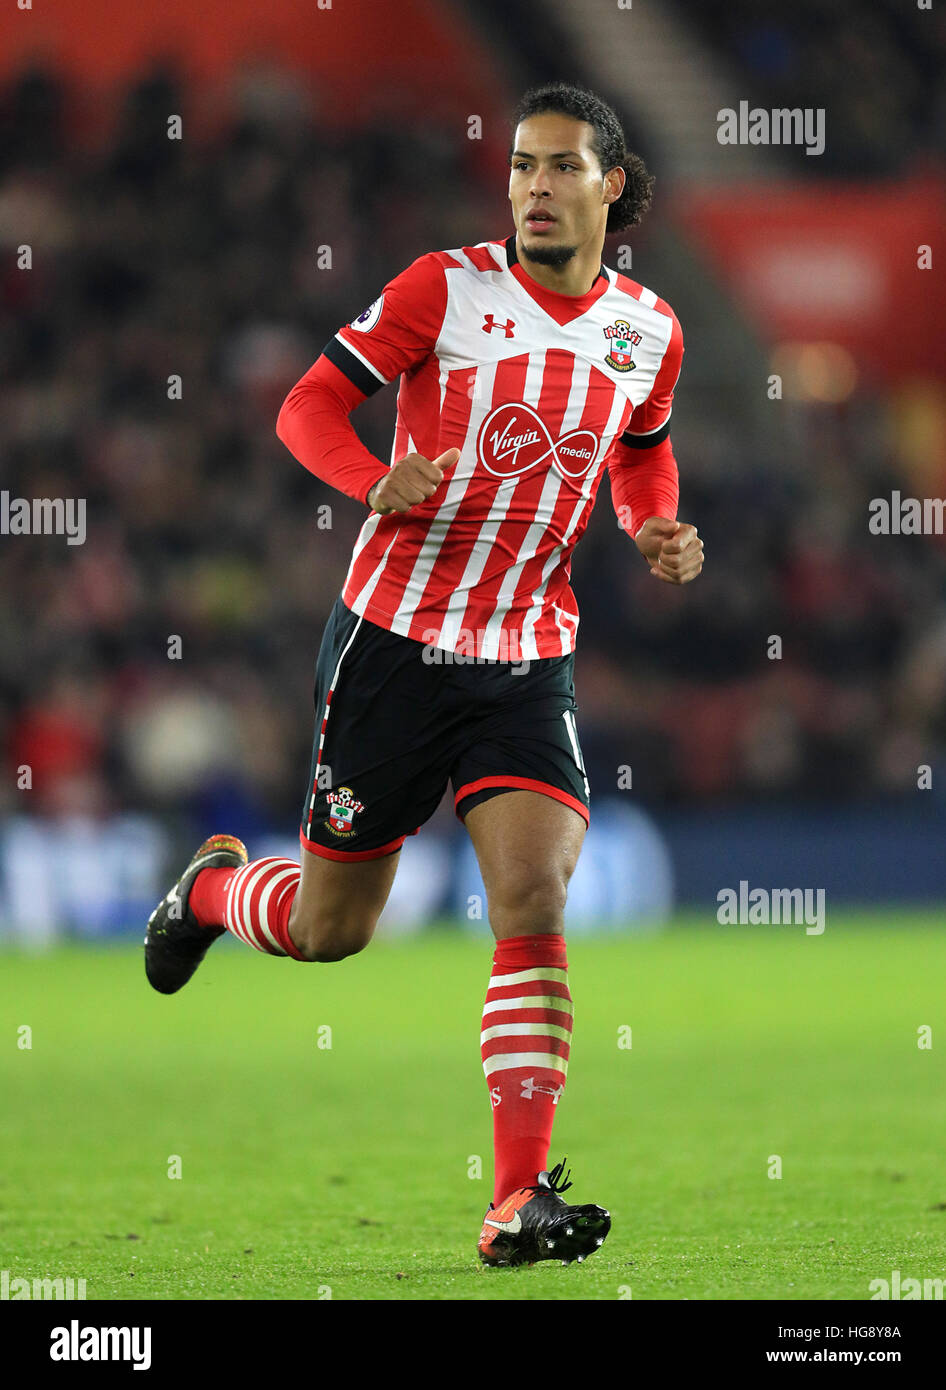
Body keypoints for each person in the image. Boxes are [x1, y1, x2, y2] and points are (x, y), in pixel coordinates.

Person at [145, 81, 704, 1269]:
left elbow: (641, 457)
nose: (534, 189)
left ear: (612, 184)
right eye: (519, 167)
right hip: (395, 645)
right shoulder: (442, 290)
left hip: (525, 656)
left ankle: (515, 1202)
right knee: (332, 929)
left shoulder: (648, 330)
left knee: (535, 900)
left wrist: (654, 526)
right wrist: (370, 478)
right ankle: (206, 894)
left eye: (560, 168)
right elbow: (306, 407)